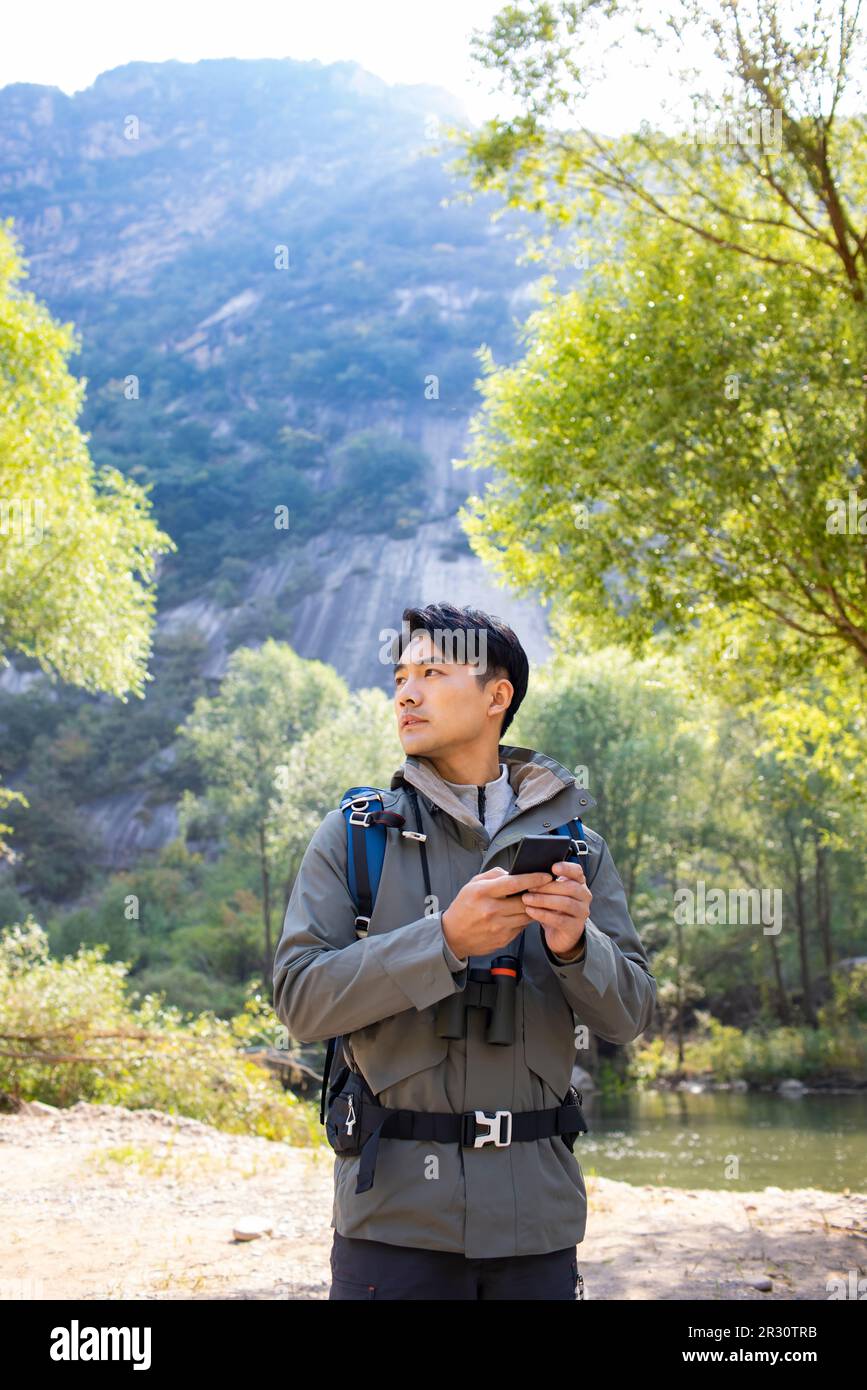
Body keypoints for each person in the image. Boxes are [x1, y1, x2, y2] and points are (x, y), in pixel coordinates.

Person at [272, 601, 656, 1299]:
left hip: (537, 1228)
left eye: (431, 671)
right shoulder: (355, 836)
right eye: (399, 677)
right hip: (392, 1231)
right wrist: (442, 942)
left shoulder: (579, 850)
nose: (405, 692)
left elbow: (628, 1016)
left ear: (495, 696)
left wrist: (576, 947)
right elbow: (300, 1001)